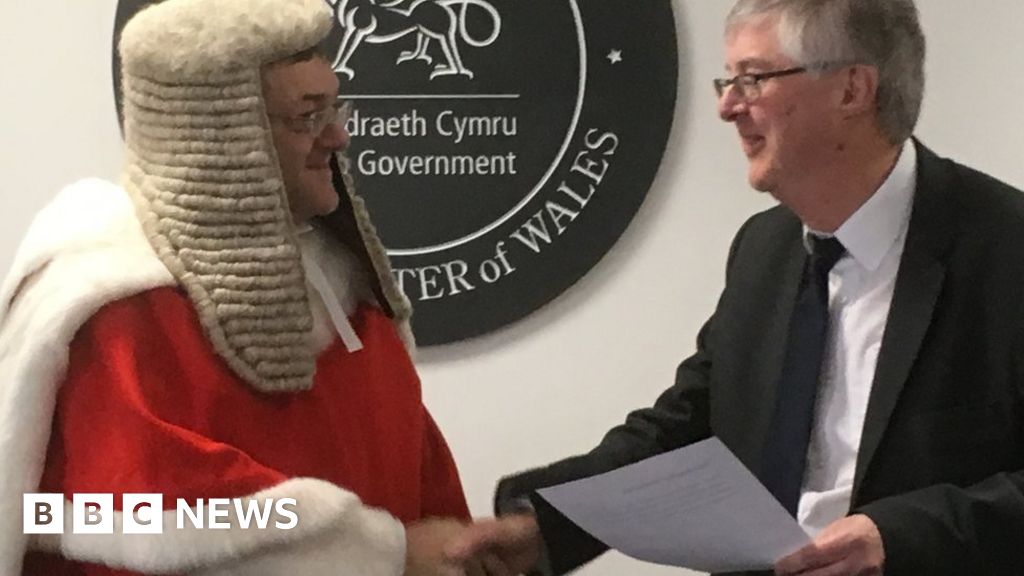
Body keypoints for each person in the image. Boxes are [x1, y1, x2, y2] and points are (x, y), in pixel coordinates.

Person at [446, 0, 1024, 575]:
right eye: (729, 81)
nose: (726, 107)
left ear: (852, 89)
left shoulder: (1004, 247)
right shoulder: (764, 249)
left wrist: (902, 536)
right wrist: (545, 524)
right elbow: (690, 425)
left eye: (753, 79)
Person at [0, 0, 475, 574]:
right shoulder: (120, 310)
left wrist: (457, 552)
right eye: (307, 117)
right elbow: (118, 514)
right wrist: (380, 554)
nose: (339, 137)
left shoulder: (339, 280)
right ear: (221, 132)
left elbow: (411, 462)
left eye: (335, 107)